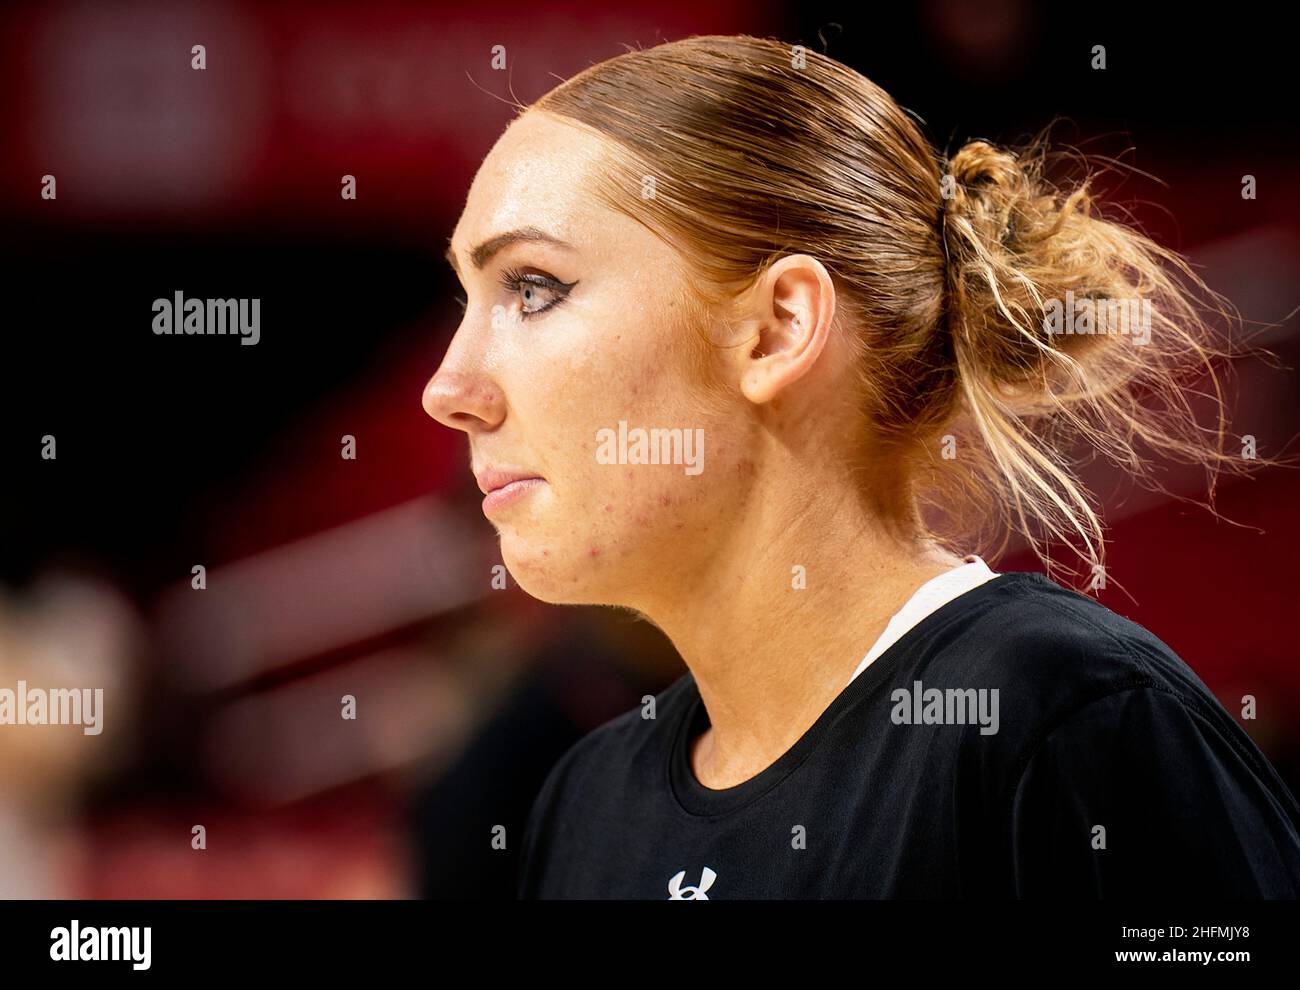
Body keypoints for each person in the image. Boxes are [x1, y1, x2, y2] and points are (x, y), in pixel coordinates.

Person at [421, 34, 1300, 897]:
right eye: (467, 298)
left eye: (532, 289)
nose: (447, 388)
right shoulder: (586, 804)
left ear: (779, 329)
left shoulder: (1069, 721)